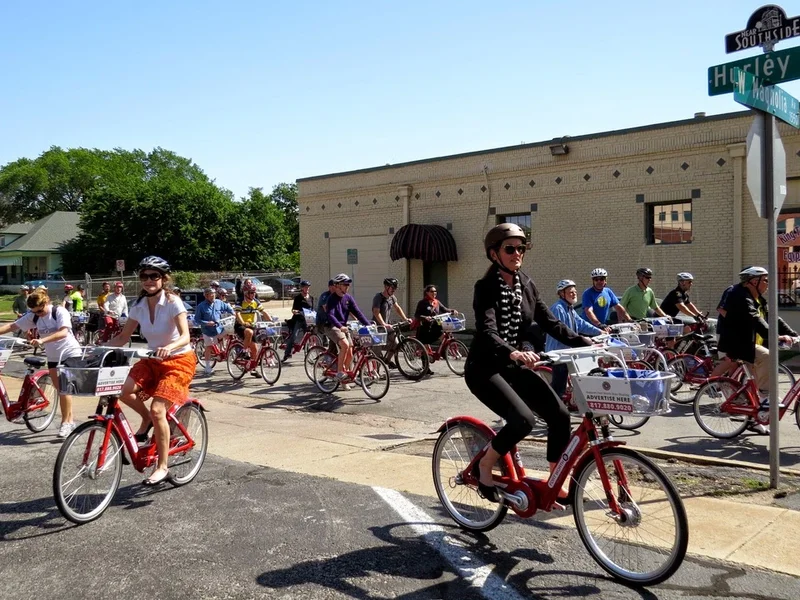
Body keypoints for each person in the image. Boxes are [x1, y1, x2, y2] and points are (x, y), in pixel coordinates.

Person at [465, 223, 591, 504]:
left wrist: (587, 342)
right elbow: (487, 331)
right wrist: (513, 351)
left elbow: (550, 323)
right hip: (484, 368)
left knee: (559, 415)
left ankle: (554, 479)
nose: (517, 253)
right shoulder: (485, 287)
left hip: (513, 366)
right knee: (523, 421)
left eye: (521, 248)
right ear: (494, 254)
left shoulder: (528, 285)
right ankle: (485, 465)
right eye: (510, 248)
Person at [108, 256, 196, 486]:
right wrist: (94, 350)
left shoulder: (173, 302)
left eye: (154, 276)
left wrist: (170, 346)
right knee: (121, 389)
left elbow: (186, 336)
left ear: (163, 279)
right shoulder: (138, 305)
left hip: (178, 361)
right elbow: (123, 337)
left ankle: (163, 467)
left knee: (159, 410)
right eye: (144, 276)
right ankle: (145, 418)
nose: (148, 280)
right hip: (153, 359)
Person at [718, 266, 798, 434]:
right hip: (737, 343)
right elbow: (755, 320)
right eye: (765, 280)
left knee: (753, 380)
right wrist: (775, 337)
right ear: (754, 281)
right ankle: (765, 397)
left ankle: (755, 419)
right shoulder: (739, 295)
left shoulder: (757, 298)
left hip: (749, 342)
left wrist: (792, 334)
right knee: (768, 357)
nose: (768, 284)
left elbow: (773, 317)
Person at [0, 288, 82, 437]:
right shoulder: (34, 315)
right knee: (60, 389)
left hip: (70, 352)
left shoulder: (59, 312)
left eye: (40, 311)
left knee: (64, 389)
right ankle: (70, 421)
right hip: (53, 356)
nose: (38, 314)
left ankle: (65, 424)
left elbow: (64, 332)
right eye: (34, 312)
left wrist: (42, 340)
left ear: (47, 302)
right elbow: (13, 326)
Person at [546, 280, 604, 399]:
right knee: (559, 387)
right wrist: (581, 340)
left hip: (568, 352)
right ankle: (553, 411)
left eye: (575, 292)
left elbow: (582, 324)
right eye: (570, 292)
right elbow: (563, 331)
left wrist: (600, 331)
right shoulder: (558, 309)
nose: (574, 294)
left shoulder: (570, 308)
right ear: (562, 294)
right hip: (559, 353)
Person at [326, 273, 371, 384]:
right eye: (345, 284)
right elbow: (330, 315)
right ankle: (339, 372)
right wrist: (340, 326)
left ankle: (344, 379)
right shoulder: (331, 298)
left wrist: (368, 324)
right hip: (332, 326)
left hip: (343, 327)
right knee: (345, 345)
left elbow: (358, 312)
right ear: (337, 285)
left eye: (348, 284)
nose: (347, 286)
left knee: (350, 352)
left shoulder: (348, 298)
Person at [194, 287, 236, 375]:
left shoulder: (219, 302)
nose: (213, 296)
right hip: (208, 330)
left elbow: (228, 308)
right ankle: (208, 366)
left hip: (219, 327)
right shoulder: (201, 306)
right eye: (210, 294)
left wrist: (233, 313)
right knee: (209, 347)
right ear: (206, 296)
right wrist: (206, 323)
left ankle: (225, 351)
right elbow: (197, 319)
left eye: (214, 294)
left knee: (229, 332)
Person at [372, 277, 411, 366]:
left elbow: (397, 308)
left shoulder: (392, 297)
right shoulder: (378, 297)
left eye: (395, 288)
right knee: (377, 350)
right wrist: (383, 324)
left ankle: (387, 360)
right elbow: (376, 312)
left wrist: (405, 319)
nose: (394, 290)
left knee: (396, 344)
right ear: (386, 287)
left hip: (387, 326)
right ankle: (375, 370)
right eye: (392, 288)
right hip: (378, 327)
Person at [235, 281, 272, 372]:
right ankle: (244, 351)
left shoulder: (255, 302)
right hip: (240, 325)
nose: (253, 294)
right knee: (249, 332)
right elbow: (237, 314)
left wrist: (271, 320)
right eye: (251, 292)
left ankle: (253, 369)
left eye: (254, 292)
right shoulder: (240, 301)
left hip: (251, 325)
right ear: (246, 293)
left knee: (255, 349)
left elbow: (263, 312)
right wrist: (243, 323)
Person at [283, 280, 315, 362]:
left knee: (309, 337)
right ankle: (287, 353)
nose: (307, 289)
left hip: (307, 320)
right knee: (294, 336)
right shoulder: (298, 298)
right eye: (305, 287)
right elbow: (294, 310)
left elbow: (311, 309)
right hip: (299, 319)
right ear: (302, 288)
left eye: (308, 287)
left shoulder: (311, 298)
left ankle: (308, 354)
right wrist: (298, 312)